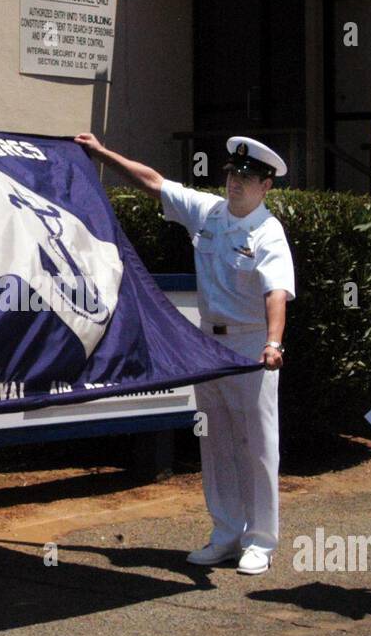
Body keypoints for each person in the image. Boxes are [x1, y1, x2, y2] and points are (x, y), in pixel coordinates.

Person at [76, 133, 294, 575]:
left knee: (256, 443)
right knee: (215, 440)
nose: (236, 183)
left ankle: (260, 541)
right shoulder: (209, 211)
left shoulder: (268, 232)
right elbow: (154, 182)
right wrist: (102, 154)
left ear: (266, 186)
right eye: (233, 174)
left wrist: (273, 342)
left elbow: (277, 292)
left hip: (251, 346)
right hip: (209, 343)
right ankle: (226, 532)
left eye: (248, 178)